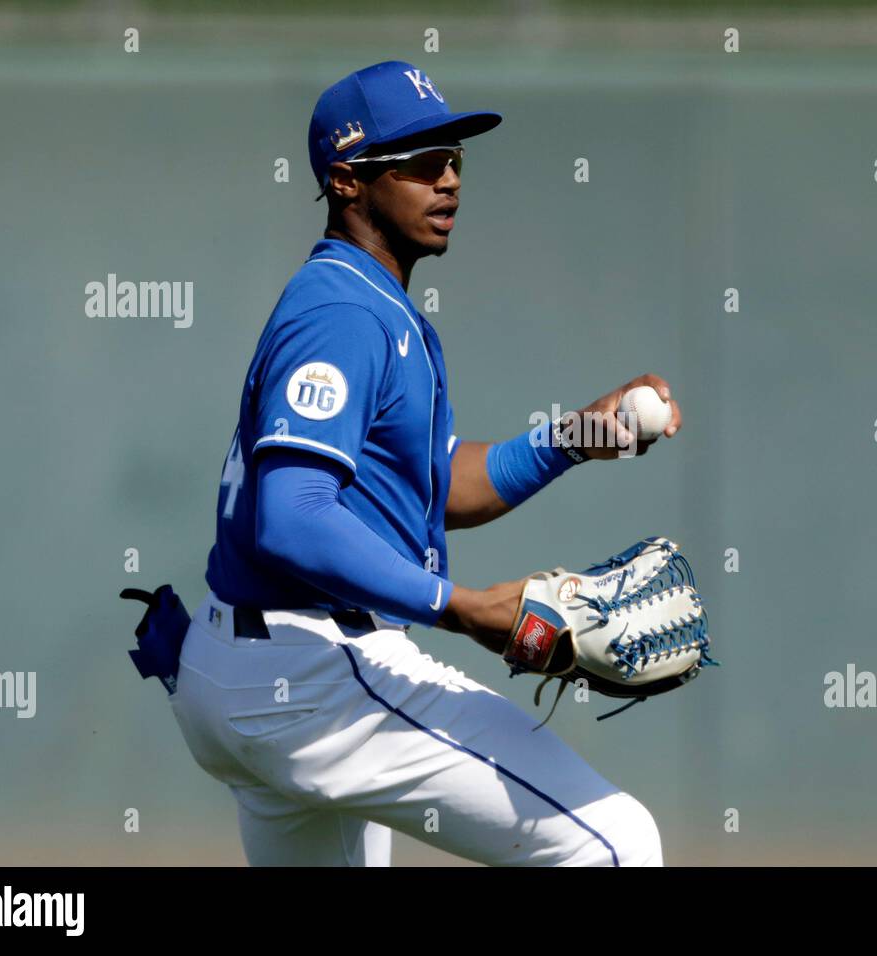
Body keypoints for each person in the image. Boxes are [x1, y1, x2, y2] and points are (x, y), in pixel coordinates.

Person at [168, 60, 683, 866]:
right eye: (417, 162)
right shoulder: (344, 310)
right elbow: (293, 517)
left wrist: (572, 438)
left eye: (453, 159)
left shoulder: (365, 300)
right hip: (313, 673)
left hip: (249, 667)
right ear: (346, 181)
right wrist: (465, 607)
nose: (446, 179)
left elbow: (431, 484)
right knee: (615, 843)